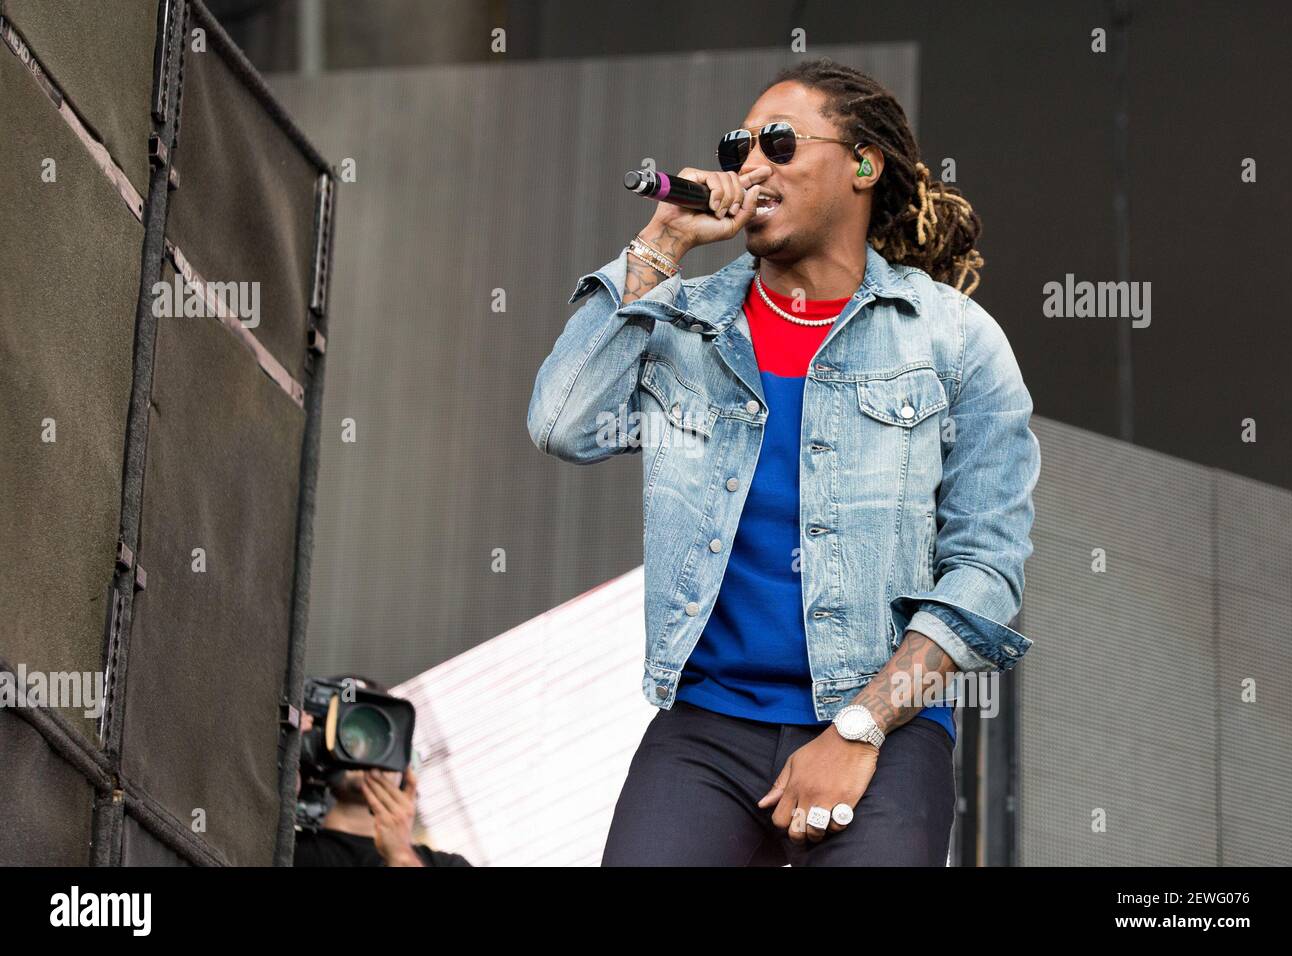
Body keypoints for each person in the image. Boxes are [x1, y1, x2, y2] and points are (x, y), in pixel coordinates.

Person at [527, 57, 1040, 865]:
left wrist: (862, 726)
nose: (751, 166)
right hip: (706, 724)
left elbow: (986, 570)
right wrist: (659, 244)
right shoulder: (687, 324)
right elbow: (562, 423)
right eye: (739, 148)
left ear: (863, 165)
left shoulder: (954, 339)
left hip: (884, 722)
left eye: (778, 142)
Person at [293, 676, 472, 867]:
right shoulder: (287, 847)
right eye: (350, 731)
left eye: (377, 736)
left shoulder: (447, 865)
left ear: (407, 764)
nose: (363, 750)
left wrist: (401, 858)